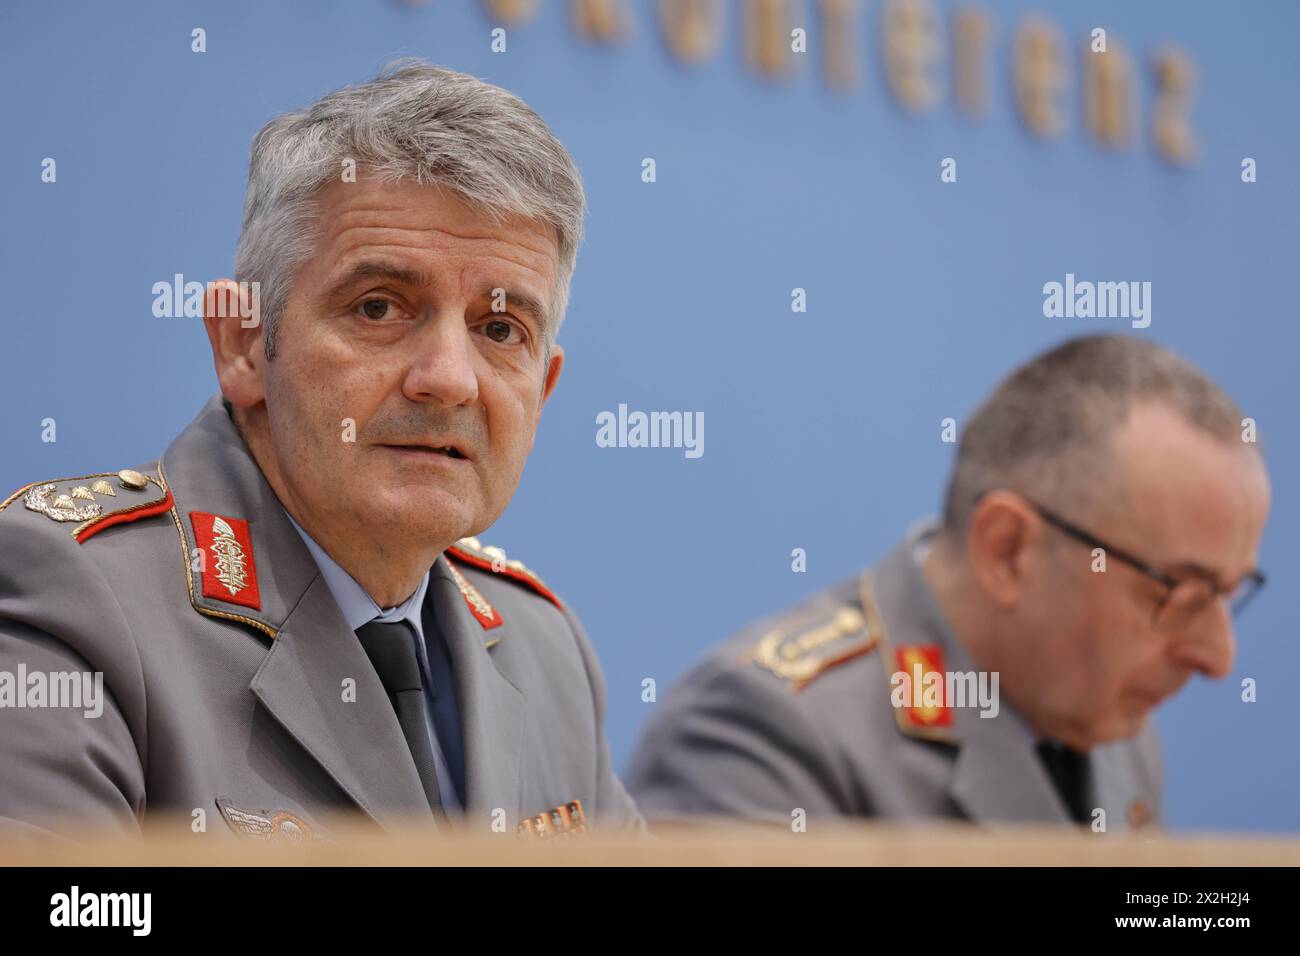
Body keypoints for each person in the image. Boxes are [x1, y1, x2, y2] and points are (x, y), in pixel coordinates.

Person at [0, 61, 640, 841]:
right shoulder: (67, 598)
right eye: (379, 307)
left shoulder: (544, 649)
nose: (448, 379)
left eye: (500, 330)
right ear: (243, 343)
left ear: (543, 391)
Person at [626, 335, 1270, 831]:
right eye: (1179, 593)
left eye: (1230, 596)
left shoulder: (1111, 721)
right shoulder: (767, 734)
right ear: (1008, 550)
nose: (1218, 657)